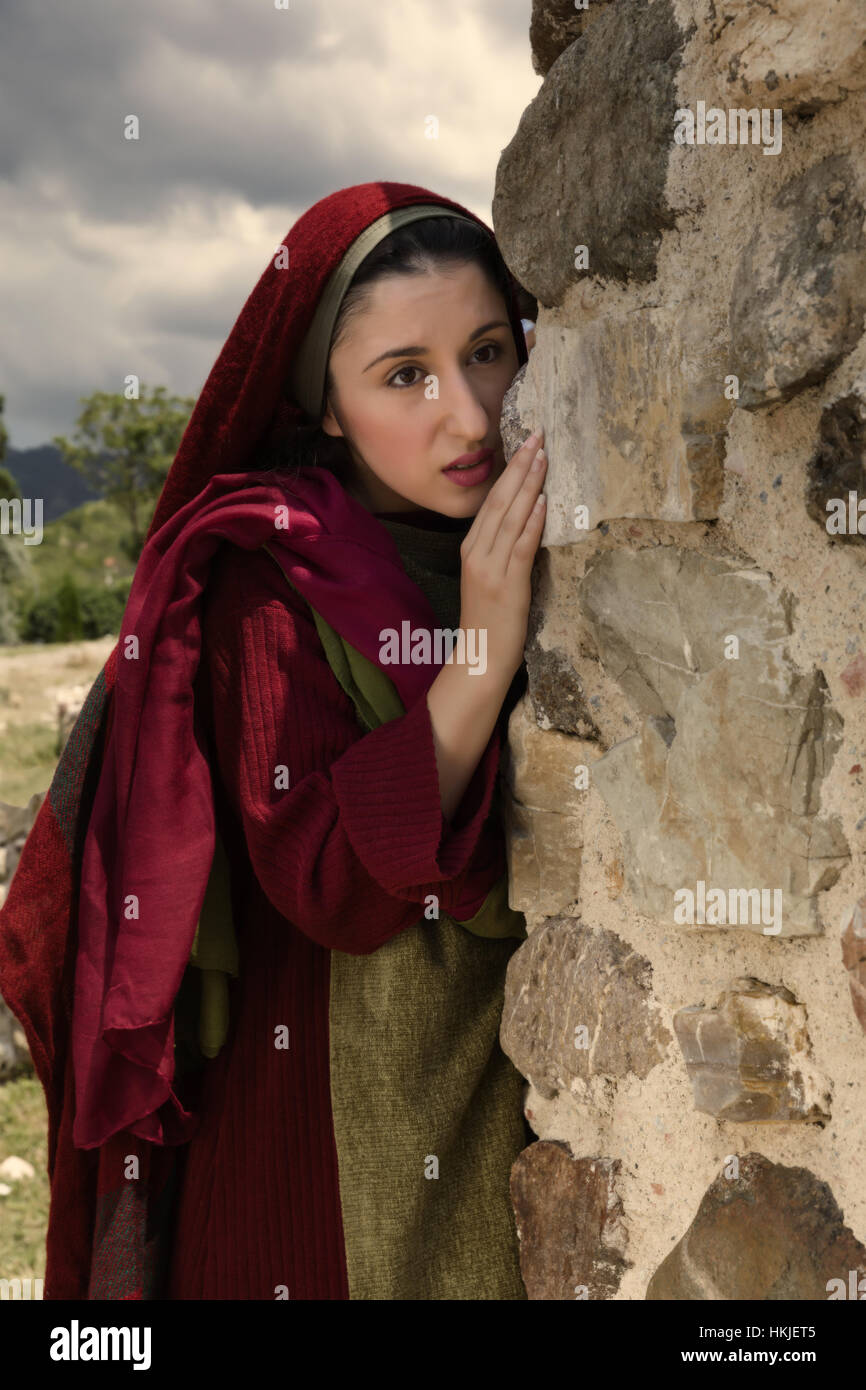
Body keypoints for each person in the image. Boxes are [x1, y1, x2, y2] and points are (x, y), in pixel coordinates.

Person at [0, 181, 547, 1300]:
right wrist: (482, 651)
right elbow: (328, 883)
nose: (469, 413)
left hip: (496, 1107)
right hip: (313, 1162)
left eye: (489, 351)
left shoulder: (544, 534)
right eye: (407, 375)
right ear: (328, 406)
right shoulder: (266, 579)